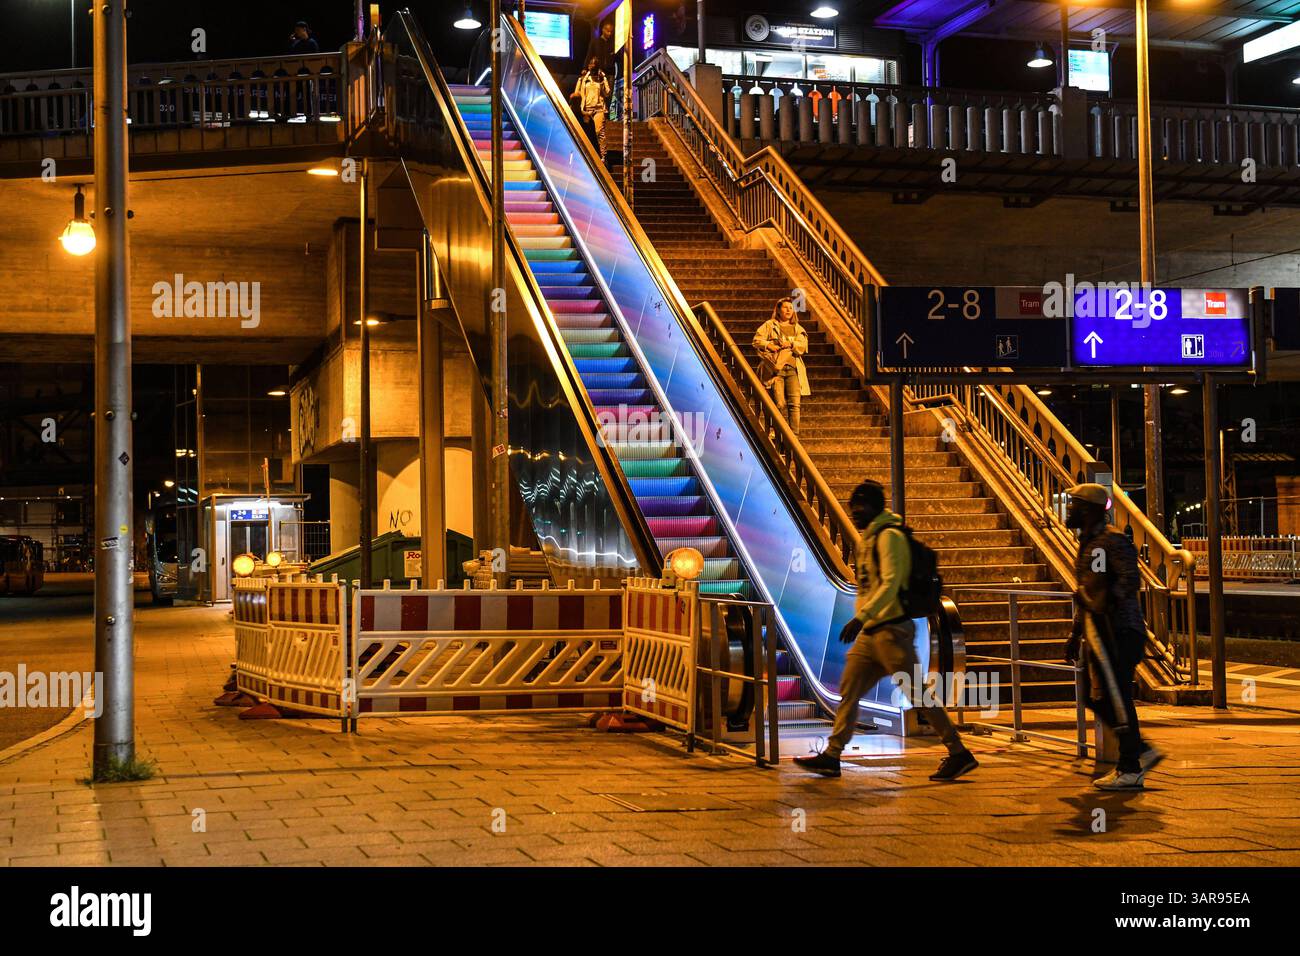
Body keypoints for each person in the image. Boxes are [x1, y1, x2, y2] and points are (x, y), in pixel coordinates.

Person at [795, 480, 979, 781]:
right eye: (852, 506)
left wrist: (860, 617)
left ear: (875, 507)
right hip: (872, 633)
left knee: (917, 695)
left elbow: (891, 584)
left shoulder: (889, 537)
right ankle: (832, 755)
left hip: (892, 632)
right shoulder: (869, 537)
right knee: (849, 690)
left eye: (861, 506)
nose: (854, 512)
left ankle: (958, 751)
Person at [1064, 483, 1165, 790]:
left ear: (1091, 510)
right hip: (1098, 633)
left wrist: (1106, 602)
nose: (1069, 510)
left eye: (1075, 505)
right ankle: (1138, 751)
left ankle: (1131, 765)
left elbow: (1128, 580)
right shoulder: (1089, 543)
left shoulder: (1113, 542)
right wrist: (1076, 632)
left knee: (1116, 696)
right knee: (1095, 697)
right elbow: (1087, 592)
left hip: (1120, 631)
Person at [752, 297, 809, 434]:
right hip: (775, 370)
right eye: (785, 307)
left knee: (795, 403)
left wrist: (791, 344)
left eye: (791, 307)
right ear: (778, 310)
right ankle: (775, 431)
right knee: (779, 403)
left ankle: (793, 435)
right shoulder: (769, 325)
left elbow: (803, 346)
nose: (789, 310)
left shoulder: (798, 328)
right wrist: (768, 345)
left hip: (793, 370)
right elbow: (756, 341)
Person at [569, 58, 612, 162]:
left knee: (598, 131)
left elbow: (607, 93)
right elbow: (577, 93)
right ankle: (586, 154)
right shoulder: (584, 79)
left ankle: (603, 156)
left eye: (594, 68)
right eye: (591, 67)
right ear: (588, 67)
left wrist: (602, 81)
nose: (592, 70)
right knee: (586, 133)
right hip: (586, 110)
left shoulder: (601, 78)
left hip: (599, 109)